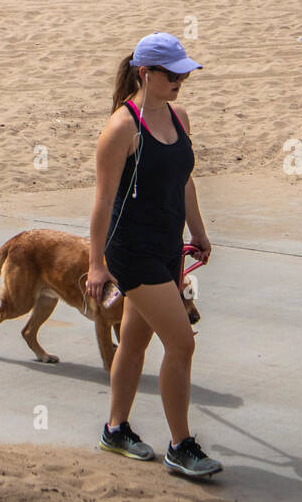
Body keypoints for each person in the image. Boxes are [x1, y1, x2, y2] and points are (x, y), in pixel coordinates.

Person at [87, 32, 223, 478]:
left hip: (167, 247)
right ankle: (181, 446)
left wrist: (197, 231)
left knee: (134, 341)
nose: (181, 80)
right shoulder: (121, 129)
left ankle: (115, 430)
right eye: (172, 74)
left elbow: (184, 180)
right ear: (145, 73)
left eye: (184, 73)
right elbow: (102, 202)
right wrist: (96, 265)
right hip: (132, 251)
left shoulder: (179, 118)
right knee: (182, 342)